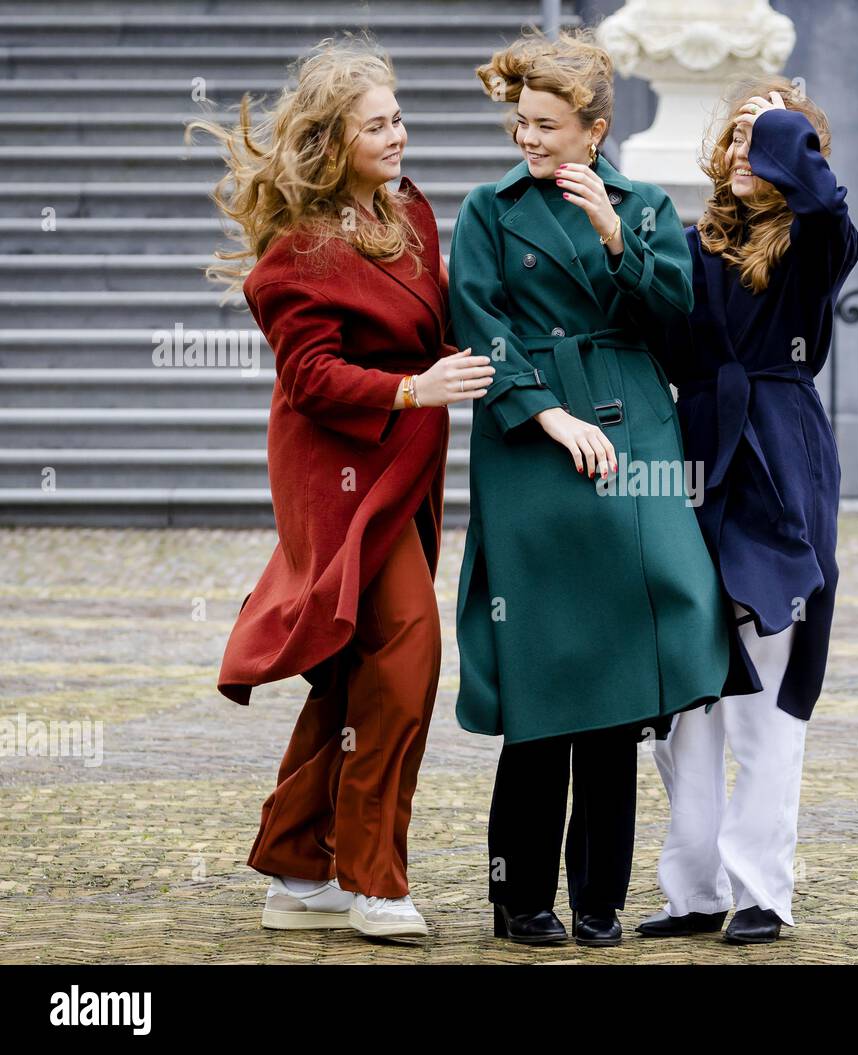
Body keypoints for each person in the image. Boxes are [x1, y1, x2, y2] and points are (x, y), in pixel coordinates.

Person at [449, 28, 755, 948]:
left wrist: (618, 237)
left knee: (623, 667)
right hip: (532, 448)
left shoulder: (646, 206)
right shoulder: (488, 209)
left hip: (635, 439)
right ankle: (519, 896)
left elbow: (674, 321)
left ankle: (600, 899)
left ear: (594, 129)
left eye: (546, 125)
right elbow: (478, 321)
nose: (527, 139)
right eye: (521, 122)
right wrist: (548, 414)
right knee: (545, 663)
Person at [193, 35, 495, 939]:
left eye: (399, 118)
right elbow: (310, 377)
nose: (397, 135)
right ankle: (372, 878)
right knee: (405, 653)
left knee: (352, 666)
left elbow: (438, 324)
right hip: (339, 472)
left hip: (407, 462)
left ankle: (296, 864)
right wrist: (411, 390)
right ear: (333, 142)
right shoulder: (296, 254)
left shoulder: (411, 212)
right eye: (377, 126)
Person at [638, 76, 858, 945]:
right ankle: (693, 889)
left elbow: (825, 201)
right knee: (690, 697)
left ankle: (762, 888)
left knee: (765, 690)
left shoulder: (815, 243)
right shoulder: (691, 245)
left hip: (778, 463)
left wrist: (780, 120)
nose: (744, 150)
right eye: (735, 135)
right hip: (694, 460)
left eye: (762, 139)